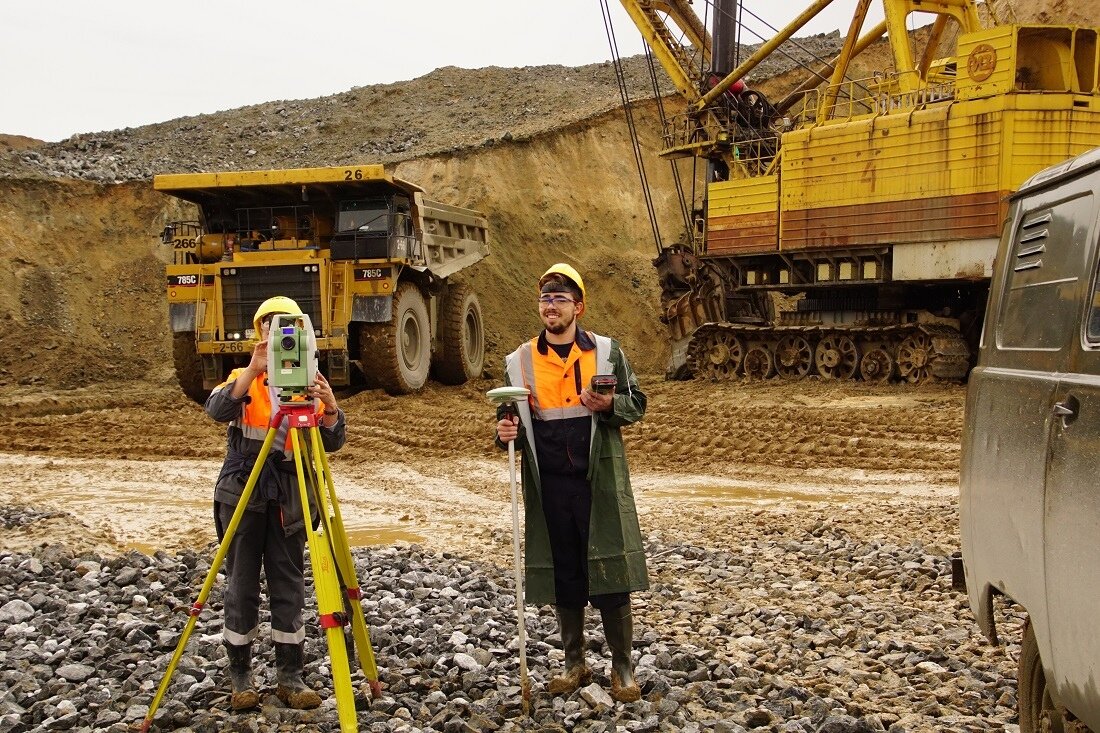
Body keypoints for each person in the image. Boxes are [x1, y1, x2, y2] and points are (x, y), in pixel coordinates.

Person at [495, 263, 649, 703]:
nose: (551, 307)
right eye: (546, 299)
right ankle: (574, 663)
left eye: (560, 299)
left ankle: (622, 668)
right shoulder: (520, 360)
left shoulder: (606, 352)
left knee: (610, 569)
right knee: (566, 572)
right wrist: (503, 432)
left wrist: (609, 403)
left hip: (597, 481)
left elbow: (636, 402)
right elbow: (509, 419)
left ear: (578, 307)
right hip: (551, 485)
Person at [204, 295, 346, 712]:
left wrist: (331, 406)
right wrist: (252, 371)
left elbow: (332, 442)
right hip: (243, 493)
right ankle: (241, 678)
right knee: (241, 585)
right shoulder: (241, 376)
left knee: (287, 585)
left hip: (289, 496)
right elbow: (216, 409)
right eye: (270, 325)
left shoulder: (310, 379)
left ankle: (290, 676)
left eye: (287, 325)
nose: (277, 333)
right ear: (259, 330)